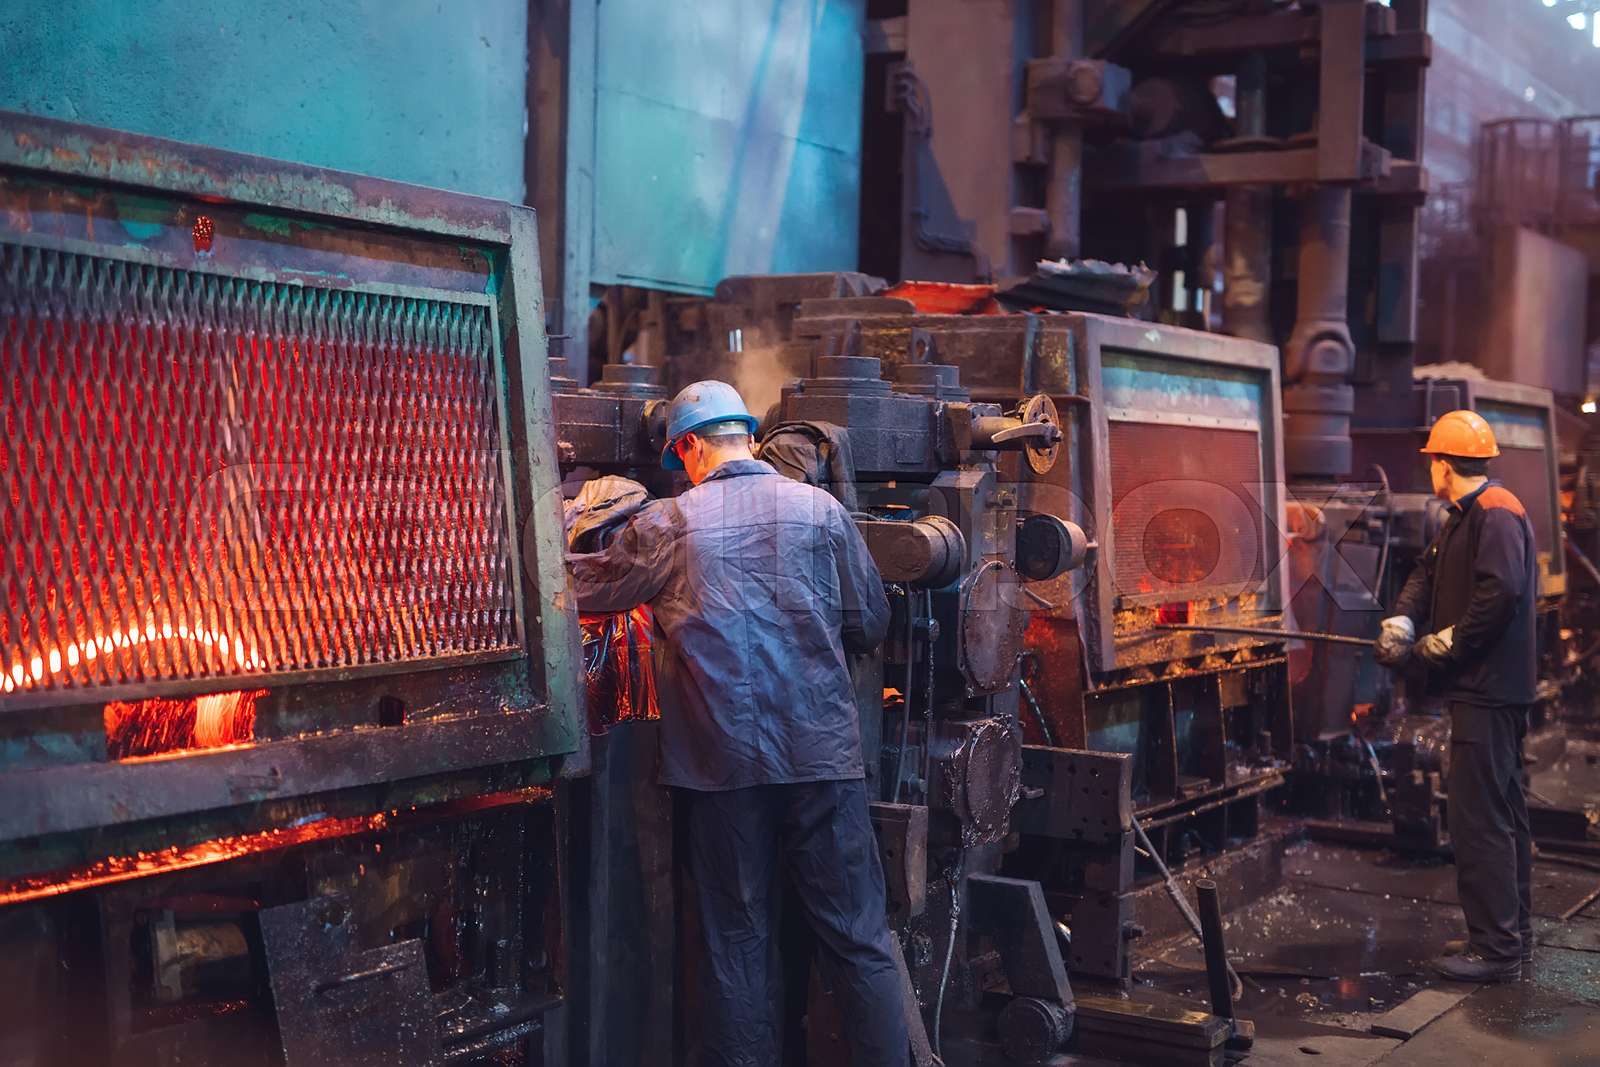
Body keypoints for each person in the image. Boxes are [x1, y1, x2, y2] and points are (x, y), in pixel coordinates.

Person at [565, 379, 909, 1066]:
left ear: (689, 446)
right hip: (822, 755)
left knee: (738, 941)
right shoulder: (821, 510)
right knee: (858, 935)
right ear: (747, 436)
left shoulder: (671, 520)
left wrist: (564, 517)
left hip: (723, 767)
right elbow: (870, 622)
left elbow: (582, 587)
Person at [1374, 409, 1536, 983]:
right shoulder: (1463, 516)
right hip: (1486, 691)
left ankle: (1495, 951)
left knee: (1480, 821)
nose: (1430, 472)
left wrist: (1449, 644)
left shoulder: (1495, 514)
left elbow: (1501, 593)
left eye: (1432, 463)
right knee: (1505, 812)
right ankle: (1511, 935)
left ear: (1444, 464)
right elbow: (1426, 571)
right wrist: (1402, 619)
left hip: (1488, 692)